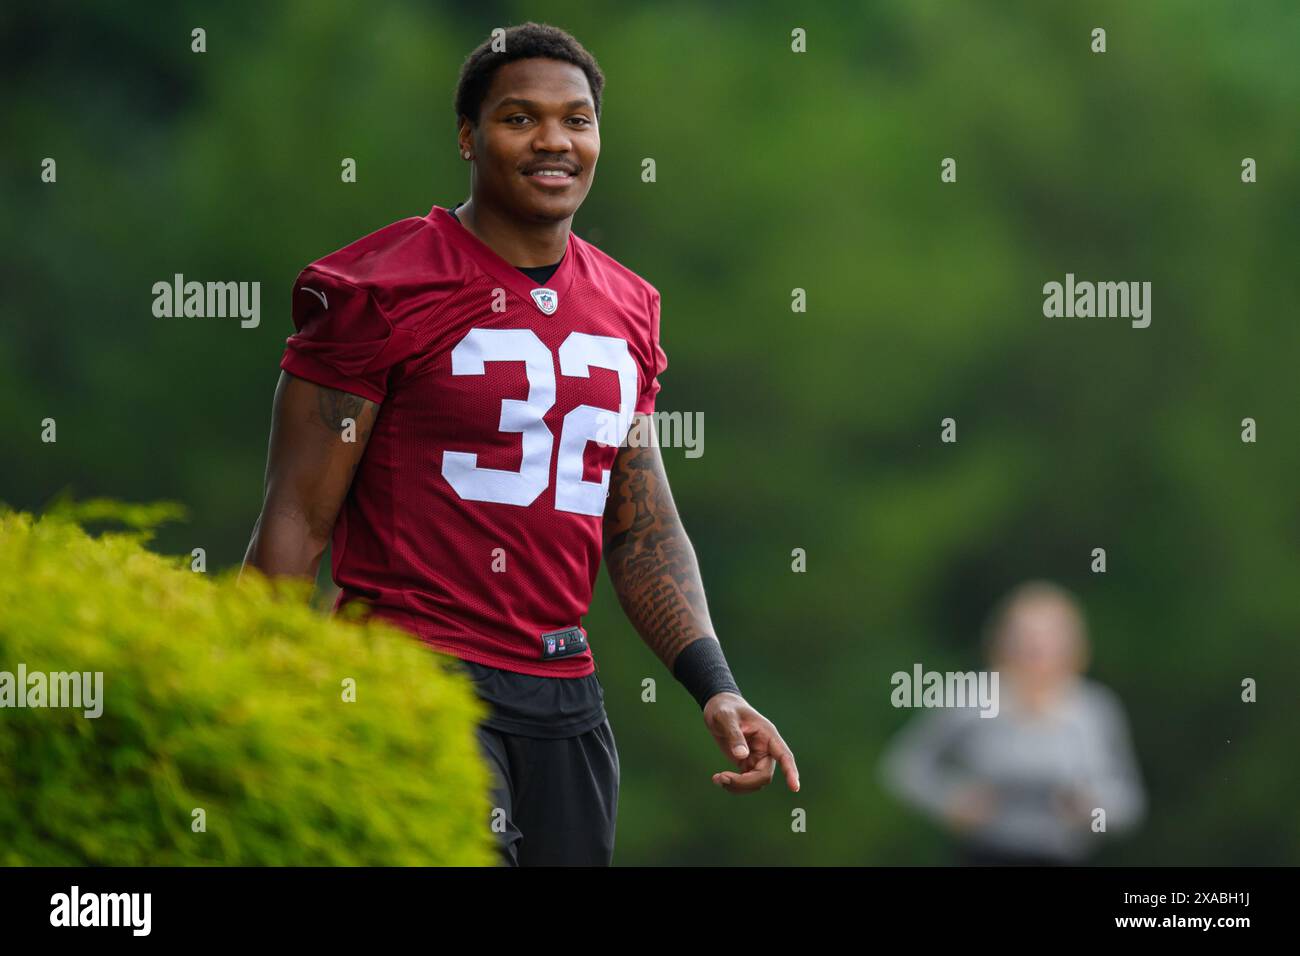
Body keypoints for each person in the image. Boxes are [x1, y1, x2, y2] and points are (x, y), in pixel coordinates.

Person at [240, 22, 798, 866]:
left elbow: (641, 528)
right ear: (467, 136)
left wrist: (715, 688)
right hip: (412, 672)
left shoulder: (628, 306)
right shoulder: (379, 289)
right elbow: (295, 518)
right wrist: (253, 694)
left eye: (577, 120)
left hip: (563, 696)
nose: (553, 141)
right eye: (519, 118)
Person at [880, 581, 1145, 865]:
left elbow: (1128, 802)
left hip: (1061, 856)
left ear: (1076, 647)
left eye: (1050, 638)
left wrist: (1090, 809)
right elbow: (903, 765)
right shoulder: (973, 697)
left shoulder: (1093, 711)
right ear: (1000, 642)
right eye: (1025, 637)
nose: (1036, 649)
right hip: (983, 854)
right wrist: (950, 800)